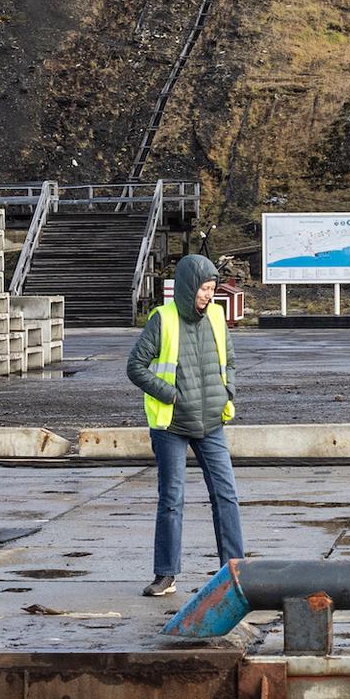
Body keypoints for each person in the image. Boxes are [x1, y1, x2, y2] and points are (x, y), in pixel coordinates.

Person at [127, 251, 243, 598]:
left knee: (226, 495)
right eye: (204, 288)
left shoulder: (218, 318)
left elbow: (231, 361)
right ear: (188, 286)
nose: (209, 295)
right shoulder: (163, 319)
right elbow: (136, 366)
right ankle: (166, 574)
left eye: (212, 288)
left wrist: (227, 391)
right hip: (172, 425)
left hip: (211, 422)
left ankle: (234, 570)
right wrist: (171, 395)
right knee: (172, 499)